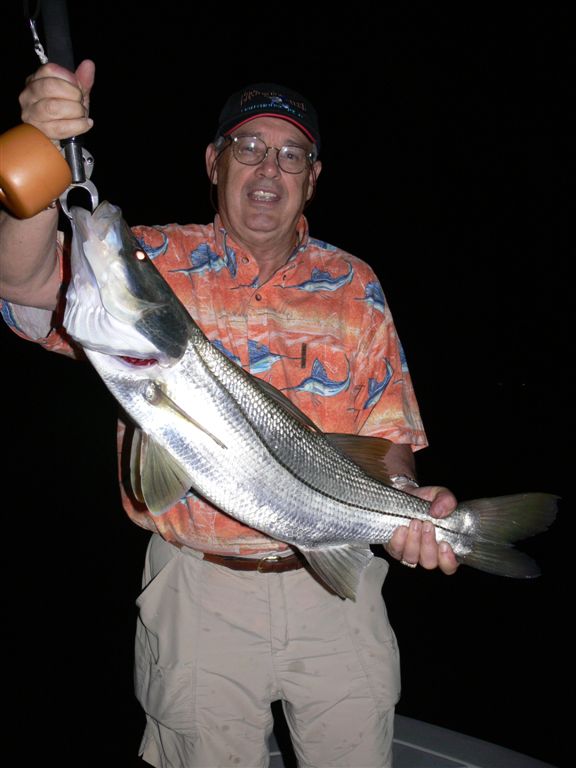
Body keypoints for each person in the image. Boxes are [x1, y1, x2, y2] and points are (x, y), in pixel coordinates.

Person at [0, 60, 459, 768]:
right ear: (215, 163)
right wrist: (32, 152)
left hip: (337, 595)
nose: (268, 168)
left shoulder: (356, 285)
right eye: (247, 147)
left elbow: (388, 438)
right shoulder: (160, 258)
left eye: (291, 153)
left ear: (312, 175)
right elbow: (25, 285)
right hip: (198, 595)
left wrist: (406, 509)